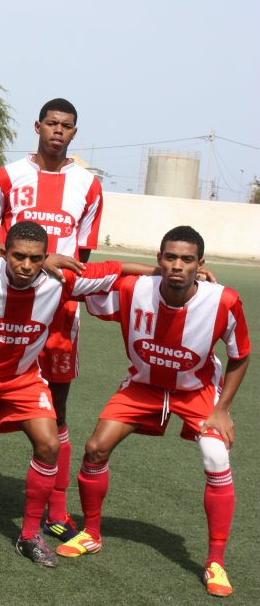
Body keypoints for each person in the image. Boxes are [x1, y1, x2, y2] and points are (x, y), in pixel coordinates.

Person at [0, 221, 155, 566]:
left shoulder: (63, 281)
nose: (26, 266)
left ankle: (29, 534)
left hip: (23, 379)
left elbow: (116, 270)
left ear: (46, 259)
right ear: (3, 253)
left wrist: (164, 271)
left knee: (48, 443)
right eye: (18, 257)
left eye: (35, 259)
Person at [57, 226, 250, 598]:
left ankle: (215, 562)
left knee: (215, 455)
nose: (178, 266)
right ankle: (92, 533)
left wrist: (223, 409)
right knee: (96, 447)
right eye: (171, 257)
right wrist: (54, 260)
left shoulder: (223, 301)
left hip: (196, 390)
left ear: (201, 265)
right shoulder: (133, 290)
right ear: (159, 259)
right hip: (143, 386)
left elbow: (240, 355)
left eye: (187, 260)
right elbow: (74, 282)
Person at [0, 98, 103, 543]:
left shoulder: (88, 185)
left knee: (56, 407)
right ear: (38, 126)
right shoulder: (7, 176)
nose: (58, 131)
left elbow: (84, 259)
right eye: (51, 123)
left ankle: (56, 508)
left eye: (67, 126)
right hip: (2, 303)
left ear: (75, 133)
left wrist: (57, 274)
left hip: (58, 311)